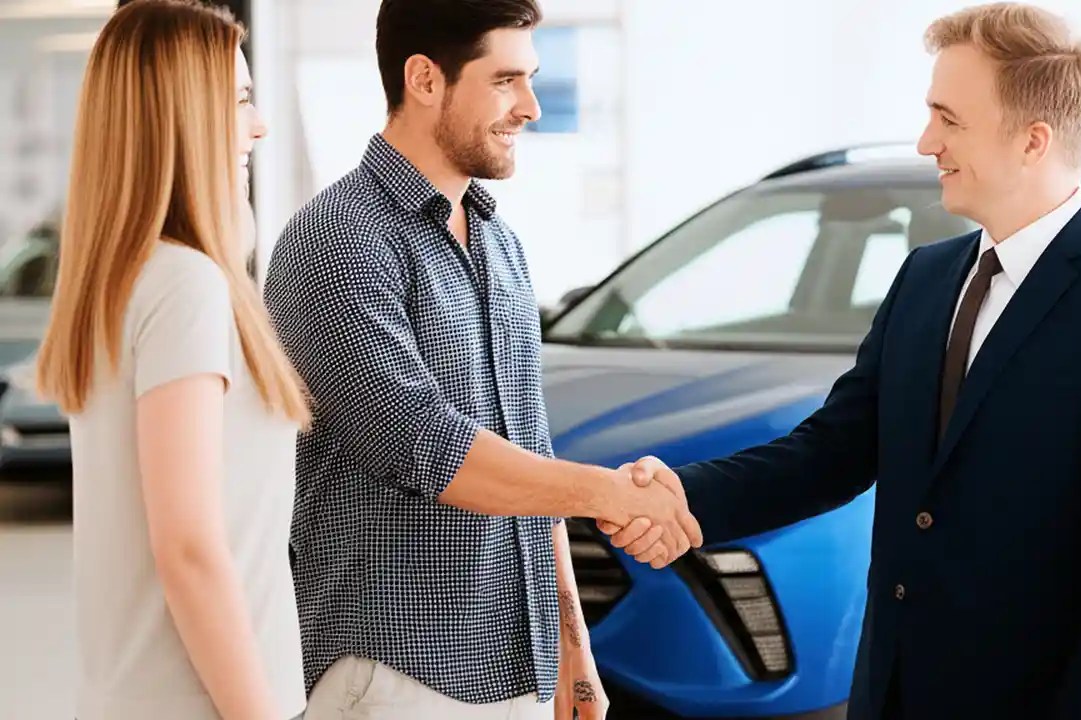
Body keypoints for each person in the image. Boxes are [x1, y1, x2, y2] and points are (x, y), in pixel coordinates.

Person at [606, 4, 1081, 719]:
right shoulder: (927, 278)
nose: (928, 142)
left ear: (1032, 140)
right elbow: (833, 451)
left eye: (949, 119)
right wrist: (682, 495)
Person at [262, 1, 700, 718]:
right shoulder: (339, 239)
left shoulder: (500, 242)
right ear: (425, 79)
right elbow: (420, 441)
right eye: (504, 80)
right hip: (395, 672)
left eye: (529, 79)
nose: (528, 106)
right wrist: (610, 494)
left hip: (512, 666)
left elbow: (528, 444)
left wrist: (570, 642)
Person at [33, 1, 310, 718]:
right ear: (183, 114)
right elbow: (187, 547)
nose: (260, 124)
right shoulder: (185, 284)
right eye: (241, 100)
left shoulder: (128, 279)